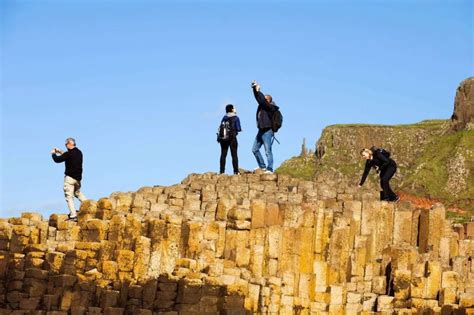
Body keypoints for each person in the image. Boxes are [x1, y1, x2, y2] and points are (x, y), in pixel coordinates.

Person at [51, 137, 87, 221]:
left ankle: (73, 215)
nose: (65, 145)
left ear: (69, 144)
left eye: (66, 144)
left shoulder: (68, 154)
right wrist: (60, 151)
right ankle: (89, 205)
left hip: (70, 179)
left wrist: (53, 153)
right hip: (78, 179)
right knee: (77, 193)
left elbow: (57, 159)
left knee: (69, 197)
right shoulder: (79, 152)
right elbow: (68, 156)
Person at [251, 80, 278, 173]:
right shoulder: (263, 106)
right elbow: (258, 99)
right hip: (261, 130)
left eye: (265, 99)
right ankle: (262, 166)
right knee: (254, 149)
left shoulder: (270, 107)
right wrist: (255, 89)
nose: (263, 99)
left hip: (268, 131)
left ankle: (270, 169)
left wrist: (258, 91)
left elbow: (261, 100)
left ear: (268, 101)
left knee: (268, 151)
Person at [217, 104, 242, 175]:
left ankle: (222, 172)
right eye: (234, 108)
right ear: (232, 109)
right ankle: (236, 172)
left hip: (223, 138)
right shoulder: (236, 118)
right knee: (234, 155)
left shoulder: (224, 117)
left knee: (223, 155)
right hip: (232, 138)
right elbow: (238, 128)